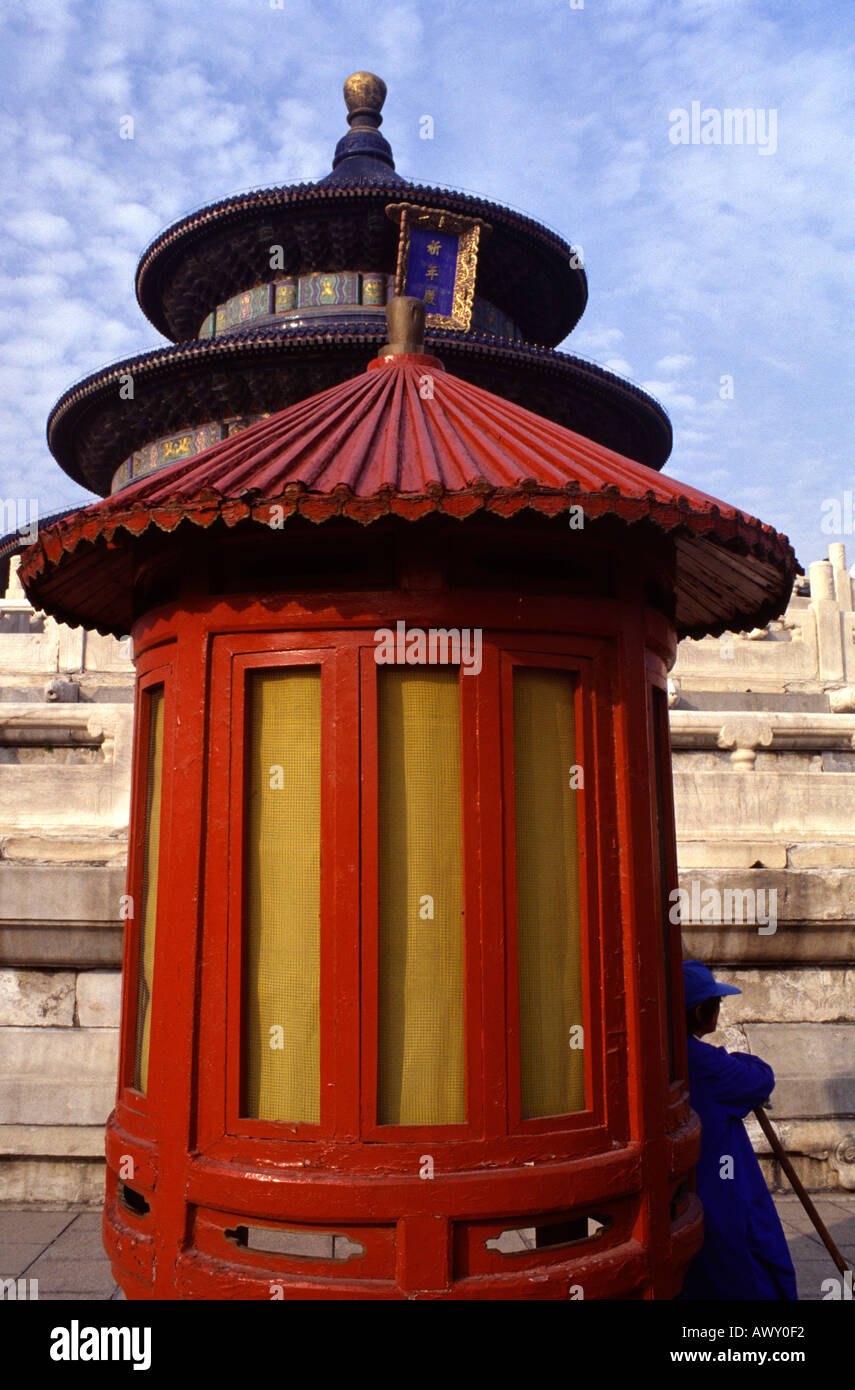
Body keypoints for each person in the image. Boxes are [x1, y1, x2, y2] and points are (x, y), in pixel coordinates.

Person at [678, 959, 798, 1301]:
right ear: (701, 1011)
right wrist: (734, 1058)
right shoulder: (710, 1064)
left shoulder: (672, 1055)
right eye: (715, 1004)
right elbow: (761, 1078)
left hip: (683, 1189)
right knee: (748, 1269)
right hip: (721, 1189)